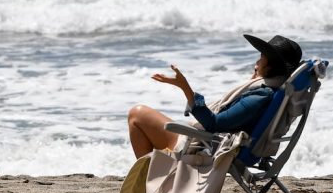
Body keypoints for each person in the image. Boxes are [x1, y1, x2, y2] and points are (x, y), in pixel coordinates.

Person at [127, 34, 302, 159]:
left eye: (261, 57)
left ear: (271, 66)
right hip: (222, 142)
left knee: (137, 114)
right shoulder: (270, 91)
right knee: (141, 115)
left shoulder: (261, 95)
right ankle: (145, 184)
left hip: (207, 145)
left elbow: (213, 123)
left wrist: (185, 88)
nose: (256, 62)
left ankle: (143, 187)